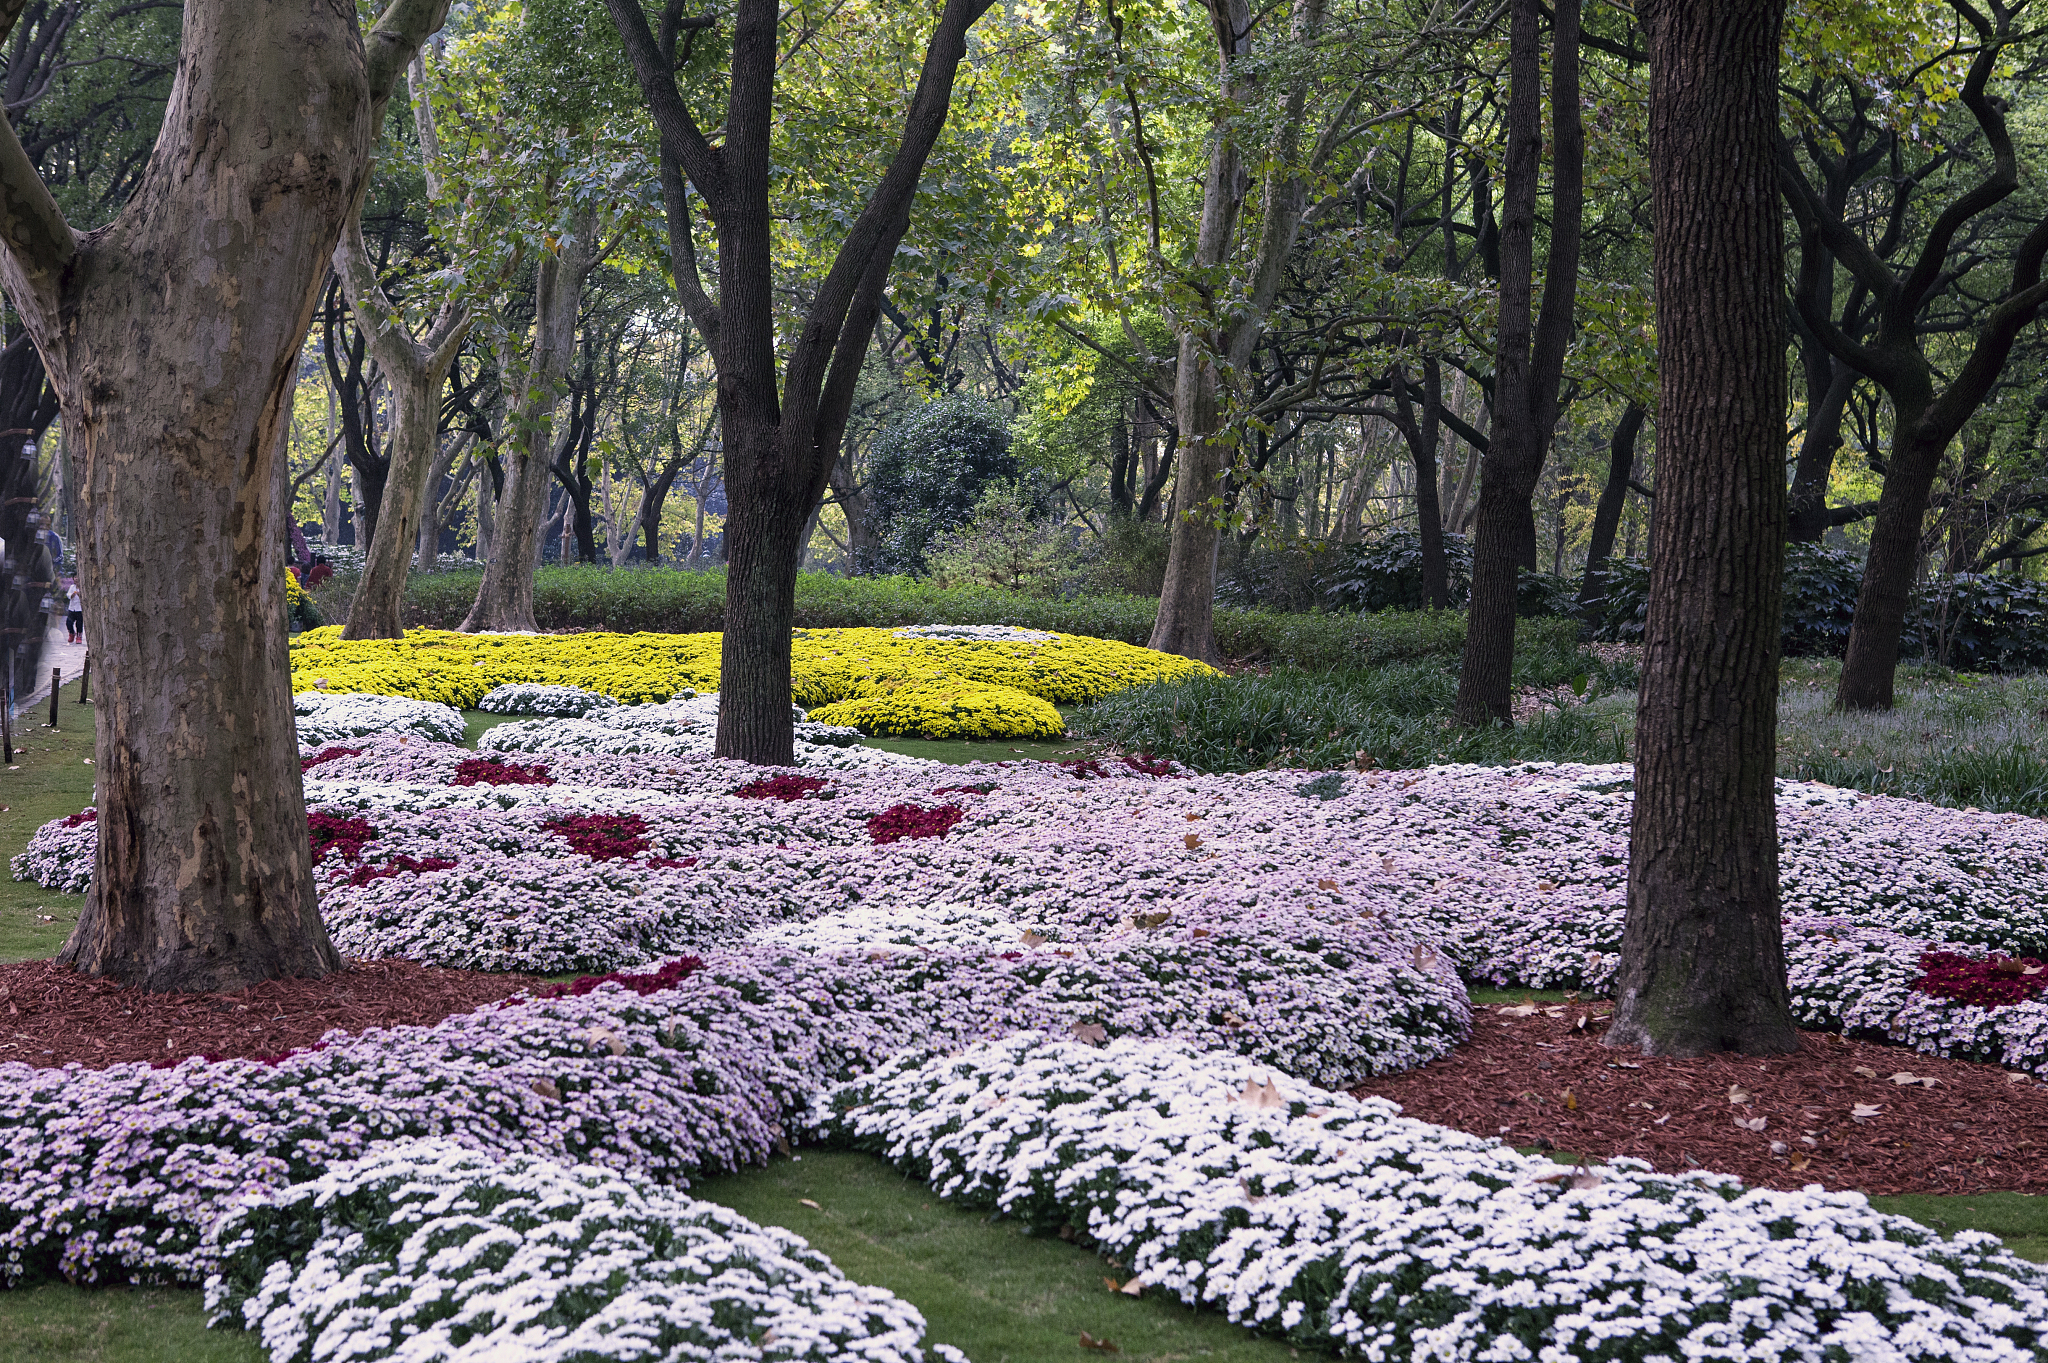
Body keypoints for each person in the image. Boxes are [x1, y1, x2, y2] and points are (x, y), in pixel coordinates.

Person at [64, 578, 82, 644]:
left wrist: (79, 594)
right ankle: (71, 633)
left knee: (79, 624)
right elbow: (68, 595)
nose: (76, 580)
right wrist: (72, 595)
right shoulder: (72, 587)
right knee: (69, 622)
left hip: (80, 608)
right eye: (75, 578)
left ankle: (79, 636)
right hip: (72, 608)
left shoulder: (83, 587)